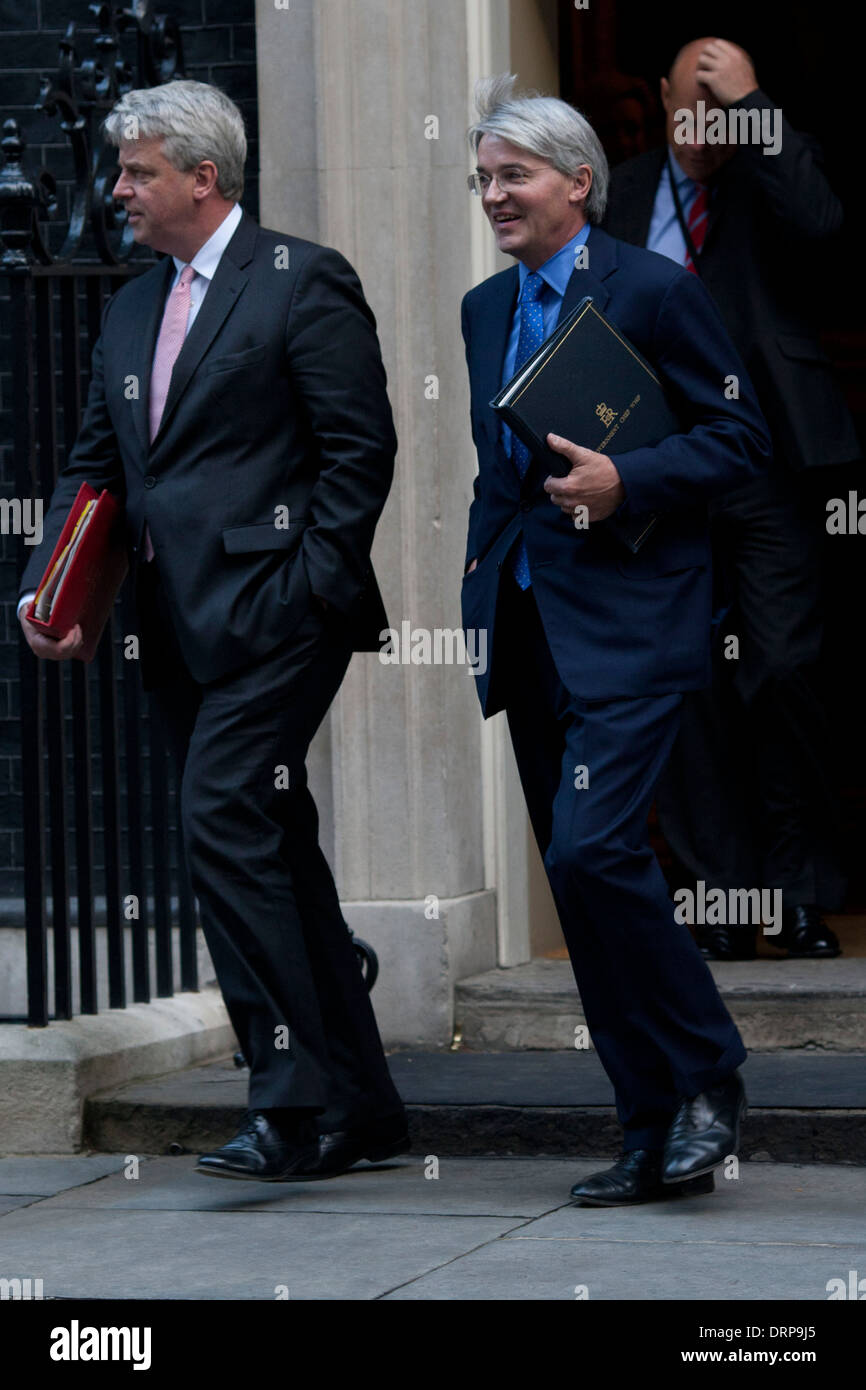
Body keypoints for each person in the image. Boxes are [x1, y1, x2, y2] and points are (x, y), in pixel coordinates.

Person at [18, 79, 408, 1182]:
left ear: (204, 176)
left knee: (220, 819)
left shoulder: (301, 279)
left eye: (138, 171)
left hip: (280, 618)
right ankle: (366, 1110)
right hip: (169, 628)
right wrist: (53, 590)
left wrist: (306, 587)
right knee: (272, 843)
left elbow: (356, 453)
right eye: (121, 171)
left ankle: (288, 1101)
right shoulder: (135, 305)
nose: (119, 191)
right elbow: (98, 462)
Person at [460, 74, 771, 1206]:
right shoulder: (482, 311)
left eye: (515, 176)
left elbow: (741, 441)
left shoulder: (652, 289)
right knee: (576, 878)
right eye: (483, 178)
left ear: (576, 183)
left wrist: (624, 480)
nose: (493, 195)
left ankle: (707, 1074)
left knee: (597, 853)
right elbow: (500, 481)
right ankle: (646, 1126)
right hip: (531, 624)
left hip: (635, 627)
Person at [603, 38, 859, 961]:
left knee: (784, 669)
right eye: (693, 102)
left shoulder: (767, 179)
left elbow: (825, 225)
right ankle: (725, 898)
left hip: (769, 464)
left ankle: (798, 891)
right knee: (690, 681)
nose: (706, 120)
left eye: (726, 105)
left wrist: (754, 103)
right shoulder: (622, 192)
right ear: (662, 99)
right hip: (661, 471)